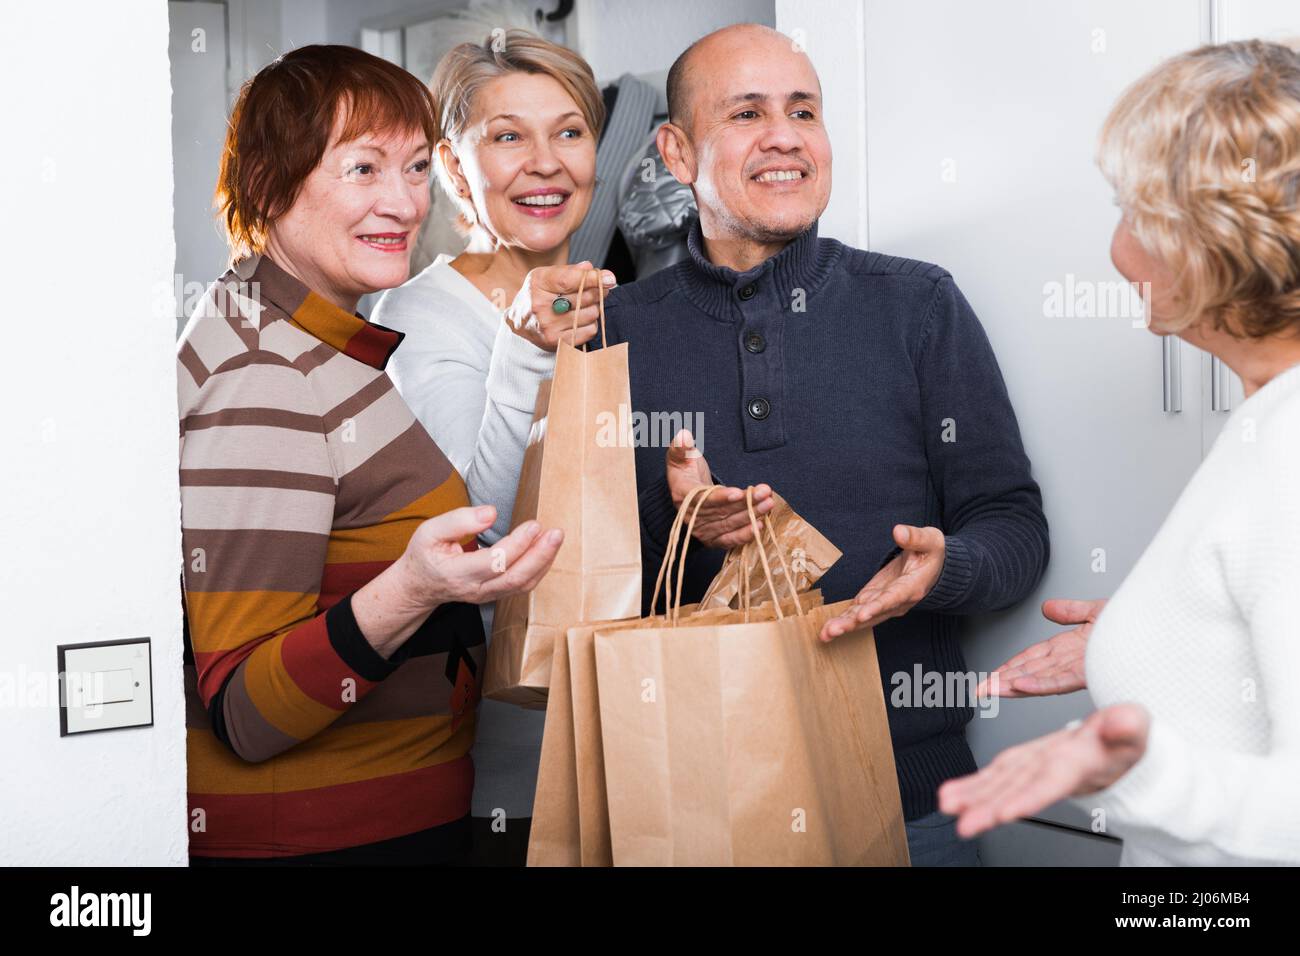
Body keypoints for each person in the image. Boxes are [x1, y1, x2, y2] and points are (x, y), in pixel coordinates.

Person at [595, 23, 1050, 866]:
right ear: (676, 151)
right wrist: (680, 522)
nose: (785, 136)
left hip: (916, 807)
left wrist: (942, 567)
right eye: (746, 113)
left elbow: (1015, 528)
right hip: (693, 803)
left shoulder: (917, 305)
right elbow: (581, 578)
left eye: (804, 110)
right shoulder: (612, 333)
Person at [177, 44, 562, 865]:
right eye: (362, 169)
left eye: (417, 167)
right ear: (270, 185)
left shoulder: (305, 338)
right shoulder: (263, 373)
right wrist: (415, 588)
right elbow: (246, 711)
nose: (402, 202)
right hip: (326, 841)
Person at [940, 40, 1300, 866]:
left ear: (1211, 242)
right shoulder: (1267, 422)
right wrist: (1163, 630)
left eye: (1133, 211)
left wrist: (1128, 775)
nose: (1116, 251)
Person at [372, 29, 615, 866]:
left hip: (636, 753)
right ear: (451, 163)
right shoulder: (416, 317)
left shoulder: (620, 302)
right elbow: (474, 536)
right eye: (507, 136)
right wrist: (524, 354)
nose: (545, 163)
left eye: (569, 131)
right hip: (508, 779)